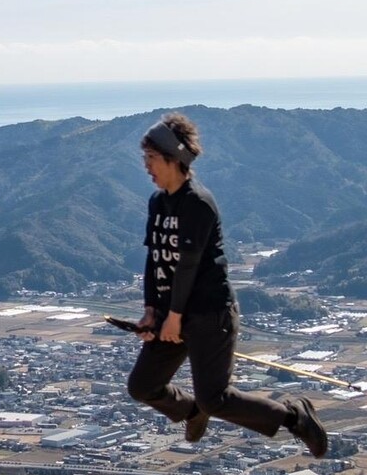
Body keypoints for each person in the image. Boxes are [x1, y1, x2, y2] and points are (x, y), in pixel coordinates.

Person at [127, 113, 328, 457]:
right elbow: (155, 259)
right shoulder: (158, 203)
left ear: (174, 159)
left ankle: (294, 416)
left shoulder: (198, 203)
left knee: (215, 398)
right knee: (142, 386)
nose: (147, 167)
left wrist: (174, 317)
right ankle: (191, 412)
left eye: (152, 159)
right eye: (145, 158)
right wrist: (151, 311)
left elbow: (189, 265)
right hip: (171, 312)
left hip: (208, 313)